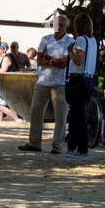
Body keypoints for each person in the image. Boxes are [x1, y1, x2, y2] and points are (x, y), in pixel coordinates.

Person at [19, 12, 73, 154]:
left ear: (66, 26)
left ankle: (57, 146)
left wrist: (49, 59)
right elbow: (40, 60)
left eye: (61, 25)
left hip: (60, 82)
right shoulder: (46, 39)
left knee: (60, 116)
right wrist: (54, 60)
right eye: (56, 24)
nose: (58, 27)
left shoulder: (70, 42)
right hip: (43, 80)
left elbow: (64, 63)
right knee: (35, 111)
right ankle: (34, 143)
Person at [64, 11, 99, 158]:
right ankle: (79, 148)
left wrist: (69, 52)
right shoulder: (93, 41)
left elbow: (78, 60)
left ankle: (77, 148)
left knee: (75, 115)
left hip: (77, 79)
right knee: (80, 114)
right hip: (88, 79)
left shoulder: (80, 41)